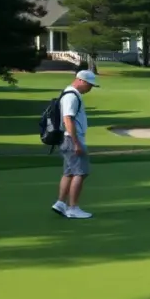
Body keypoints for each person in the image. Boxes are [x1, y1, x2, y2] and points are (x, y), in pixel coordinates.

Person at [51, 69, 99, 220]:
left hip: (68, 139)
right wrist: (76, 142)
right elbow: (68, 120)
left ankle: (60, 203)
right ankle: (73, 208)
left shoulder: (70, 94)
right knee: (80, 172)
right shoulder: (71, 96)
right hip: (72, 139)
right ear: (81, 81)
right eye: (89, 85)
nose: (90, 88)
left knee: (70, 172)